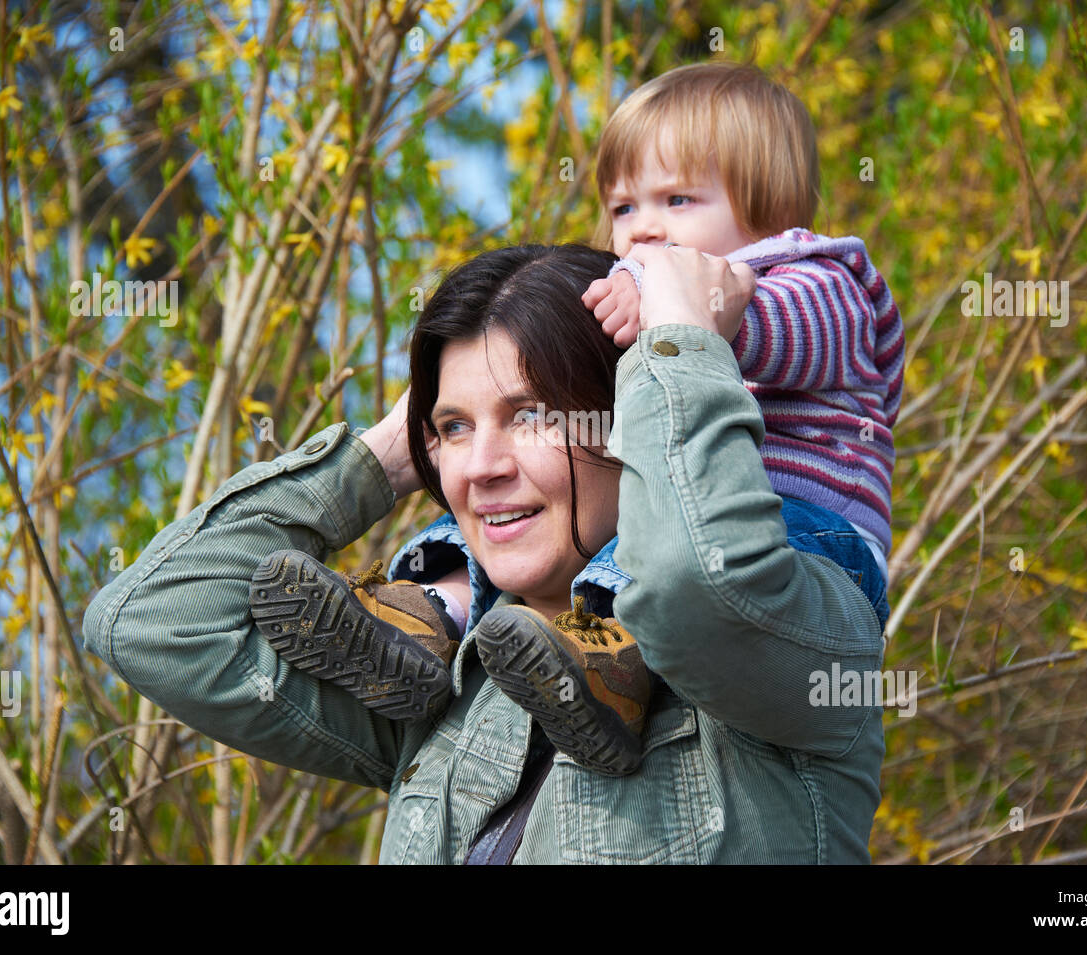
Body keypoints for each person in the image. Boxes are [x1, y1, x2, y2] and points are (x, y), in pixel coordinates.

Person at [83, 243, 886, 863]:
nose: (480, 468)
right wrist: (394, 454)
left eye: (533, 415)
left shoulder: (795, 647)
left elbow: (692, 585)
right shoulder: (446, 688)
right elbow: (147, 621)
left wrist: (679, 339)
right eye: (456, 427)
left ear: (634, 420)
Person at [258, 61, 901, 776]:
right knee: (501, 494)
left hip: (811, 531)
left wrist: (696, 317)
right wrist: (411, 443)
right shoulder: (641, 287)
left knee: (649, 533)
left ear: (769, 205)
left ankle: (609, 654)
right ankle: (429, 616)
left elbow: (792, 333)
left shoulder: (821, 277)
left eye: (678, 198)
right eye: (623, 208)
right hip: (677, 515)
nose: (644, 230)